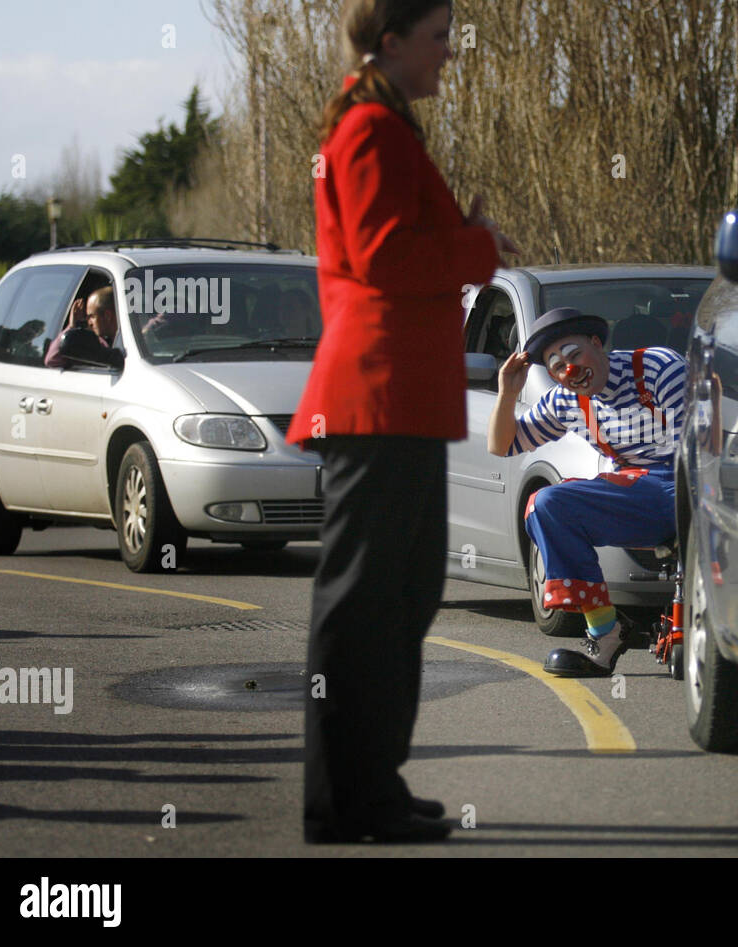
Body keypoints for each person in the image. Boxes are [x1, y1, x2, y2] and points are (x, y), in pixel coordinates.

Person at [287, 0, 519, 845]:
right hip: (376, 395)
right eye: (438, 37)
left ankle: (370, 782)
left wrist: (459, 236)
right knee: (364, 602)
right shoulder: (370, 131)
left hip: (399, 397)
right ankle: (343, 799)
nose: (449, 54)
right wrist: (476, 245)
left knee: (402, 593)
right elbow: (385, 256)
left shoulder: (382, 122)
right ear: (392, 43)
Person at [488, 307, 687, 677]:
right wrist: (507, 392)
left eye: (575, 354)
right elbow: (502, 445)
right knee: (546, 504)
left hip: (690, 481)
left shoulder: (658, 367)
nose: (570, 369)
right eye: (557, 365)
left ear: (597, 343)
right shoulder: (566, 401)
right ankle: (605, 631)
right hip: (637, 493)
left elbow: (697, 449)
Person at [45, 287, 117, 368]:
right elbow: (52, 360)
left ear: (107, 316)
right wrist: (72, 327)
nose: (89, 323)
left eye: (92, 316)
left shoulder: (129, 342)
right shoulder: (95, 345)